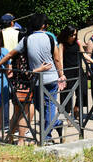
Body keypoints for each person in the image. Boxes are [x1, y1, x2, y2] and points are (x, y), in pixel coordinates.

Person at [19, 13, 63, 141]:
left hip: (45, 77)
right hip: (41, 77)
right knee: (43, 107)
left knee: (45, 107)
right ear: (44, 25)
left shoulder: (31, 38)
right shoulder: (49, 37)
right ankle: (56, 124)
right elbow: (57, 58)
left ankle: (47, 137)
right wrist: (61, 74)